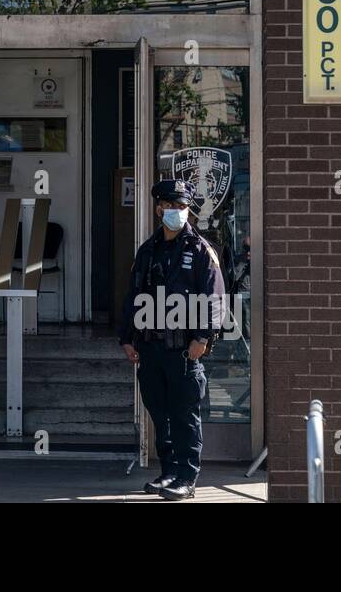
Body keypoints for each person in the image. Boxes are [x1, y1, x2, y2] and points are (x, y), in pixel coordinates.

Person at [118, 179, 226, 500]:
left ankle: (186, 477)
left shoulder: (201, 251)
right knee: (159, 413)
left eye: (181, 207)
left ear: (188, 210)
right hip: (151, 348)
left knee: (184, 413)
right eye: (169, 206)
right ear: (158, 209)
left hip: (184, 350)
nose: (175, 212)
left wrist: (203, 337)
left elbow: (215, 299)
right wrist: (127, 337)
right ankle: (168, 472)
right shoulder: (148, 250)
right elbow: (133, 296)